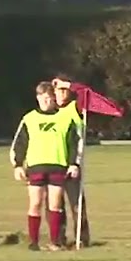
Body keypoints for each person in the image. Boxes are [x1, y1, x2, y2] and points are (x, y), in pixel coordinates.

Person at [11, 82, 81, 251]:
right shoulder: (29, 119)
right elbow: (19, 144)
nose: (45, 101)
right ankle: (33, 242)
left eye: (49, 98)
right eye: (42, 98)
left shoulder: (65, 119)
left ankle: (55, 242)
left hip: (58, 165)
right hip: (36, 166)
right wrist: (18, 165)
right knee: (35, 203)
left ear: (54, 99)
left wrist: (74, 164)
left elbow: (74, 144)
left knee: (55, 205)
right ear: (37, 98)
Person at [50, 75, 91, 246]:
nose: (61, 94)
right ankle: (58, 238)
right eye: (58, 90)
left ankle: (81, 238)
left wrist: (68, 84)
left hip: (72, 162)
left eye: (64, 90)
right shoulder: (48, 112)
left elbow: (86, 93)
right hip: (53, 162)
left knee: (76, 203)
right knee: (55, 205)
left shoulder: (75, 107)